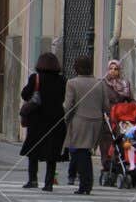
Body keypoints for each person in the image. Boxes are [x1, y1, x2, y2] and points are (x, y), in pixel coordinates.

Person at [18, 51, 67, 190]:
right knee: (52, 153)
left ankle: (32, 180)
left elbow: (25, 94)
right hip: (56, 119)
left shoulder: (36, 78)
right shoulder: (62, 80)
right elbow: (64, 98)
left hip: (37, 120)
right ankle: (48, 183)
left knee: (33, 150)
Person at [63, 56, 108, 194]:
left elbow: (68, 105)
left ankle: (85, 185)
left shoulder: (72, 83)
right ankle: (86, 183)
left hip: (79, 121)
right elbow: (106, 106)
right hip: (96, 122)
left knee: (80, 152)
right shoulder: (100, 83)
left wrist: (65, 118)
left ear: (76, 68)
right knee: (85, 152)